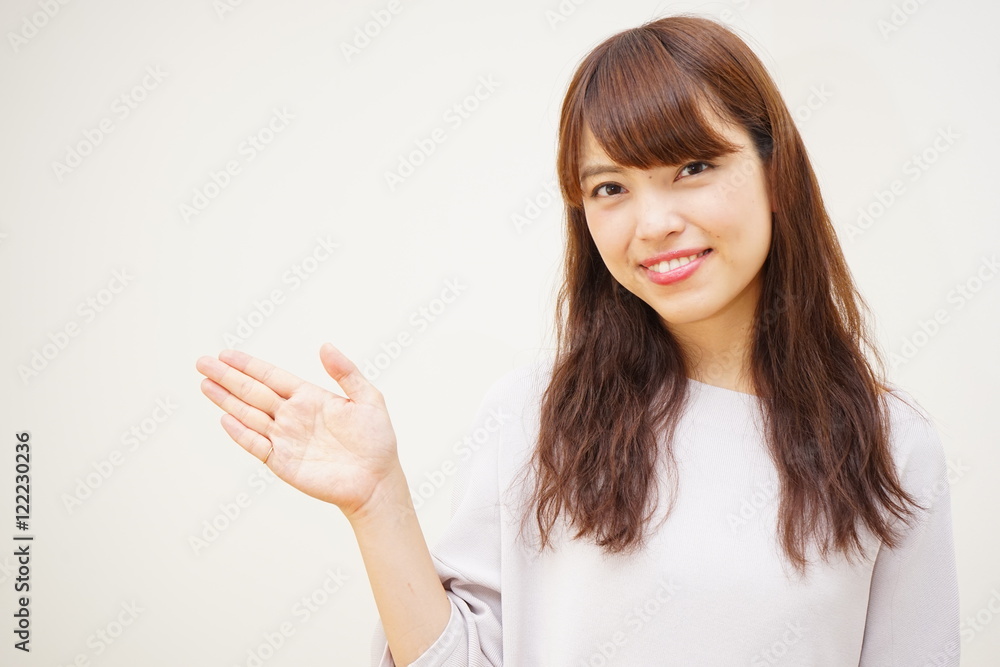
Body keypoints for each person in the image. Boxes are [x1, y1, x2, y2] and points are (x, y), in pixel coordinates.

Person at [195, 14, 960, 666]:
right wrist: (376, 502)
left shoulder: (893, 446)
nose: (653, 222)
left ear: (774, 171)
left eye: (693, 166)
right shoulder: (532, 413)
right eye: (610, 188)